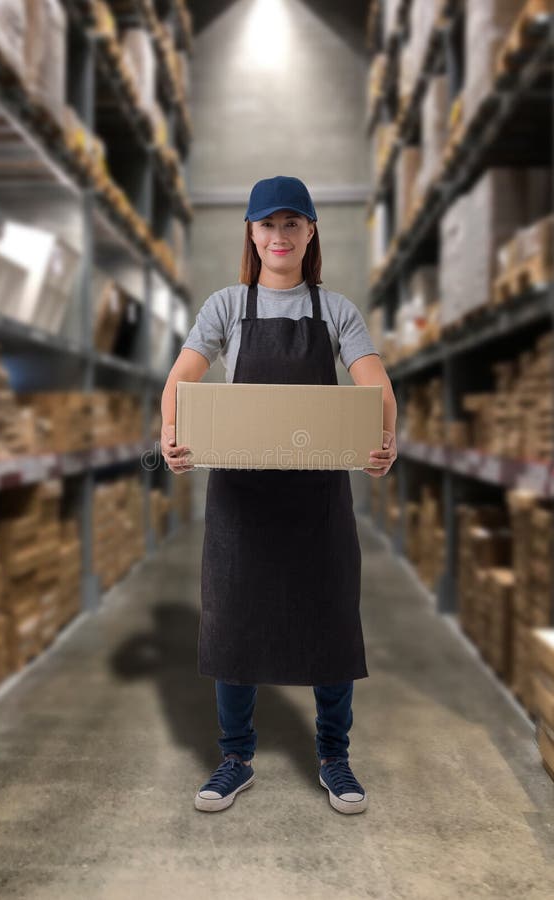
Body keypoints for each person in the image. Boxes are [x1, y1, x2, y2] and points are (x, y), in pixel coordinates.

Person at [160, 175, 397, 815]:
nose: (279, 236)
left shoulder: (338, 311)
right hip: (241, 498)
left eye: (292, 223)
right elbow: (180, 380)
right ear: (251, 233)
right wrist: (172, 436)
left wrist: (384, 439)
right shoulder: (226, 308)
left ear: (312, 231)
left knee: (329, 620)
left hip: (317, 498)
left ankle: (335, 757)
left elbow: (375, 384)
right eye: (267, 224)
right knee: (235, 619)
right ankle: (235, 758)